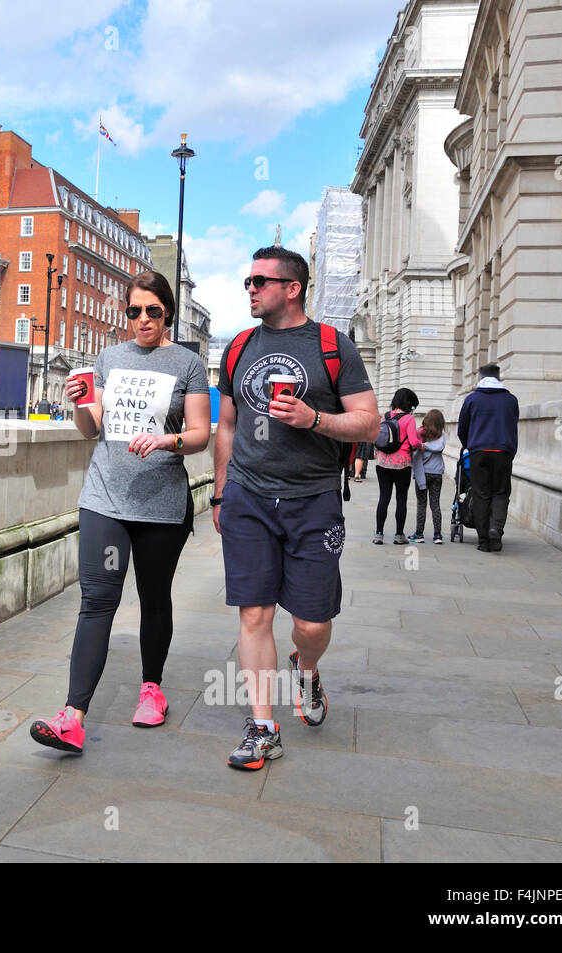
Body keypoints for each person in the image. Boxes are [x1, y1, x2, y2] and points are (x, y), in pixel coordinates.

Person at [30, 270, 210, 755]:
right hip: (105, 498)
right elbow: (92, 430)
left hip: (161, 503)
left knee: (154, 599)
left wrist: (166, 439)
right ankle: (72, 716)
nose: (143, 319)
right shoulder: (109, 358)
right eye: (134, 311)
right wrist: (79, 404)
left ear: (168, 312)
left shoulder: (186, 363)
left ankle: (152, 688)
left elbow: (200, 434)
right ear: (125, 313)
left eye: (153, 310)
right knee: (97, 601)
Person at [213, 246, 379, 770]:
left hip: (313, 500)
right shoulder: (239, 346)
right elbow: (228, 426)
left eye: (261, 281)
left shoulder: (333, 346)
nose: (251, 289)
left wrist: (314, 420)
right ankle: (264, 727)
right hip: (248, 496)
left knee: (310, 622)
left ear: (293, 288)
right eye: (248, 280)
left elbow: (370, 423)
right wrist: (220, 491)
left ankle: (306, 668)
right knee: (255, 613)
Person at [457, 363, 519, 553]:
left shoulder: (472, 399)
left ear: (480, 377)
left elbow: (462, 428)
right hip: (503, 452)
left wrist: (469, 444)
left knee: (481, 494)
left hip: (479, 452)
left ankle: (484, 541)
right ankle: (496, 529)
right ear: (499, 377)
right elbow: (513, 424)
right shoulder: (511, 399)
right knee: (500, 492)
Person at [372, 388, 423, 545]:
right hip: (401, 464)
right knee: (401, 499)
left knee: (384, 497)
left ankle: (379, 534)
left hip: (382, 462)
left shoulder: (385, 416)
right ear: (409, 404)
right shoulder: (408, 419)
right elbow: (414, 442)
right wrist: (422, 445)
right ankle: (399, 535)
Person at [411, 409, 447, 544]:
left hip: (422, 473)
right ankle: (437, 535)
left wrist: (422, 445)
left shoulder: (421, 437)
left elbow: (414, 453)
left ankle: (419, 533)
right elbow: (439, 447)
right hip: (437, 474)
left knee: (421, 504)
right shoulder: (442, 437)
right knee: (435, 504)